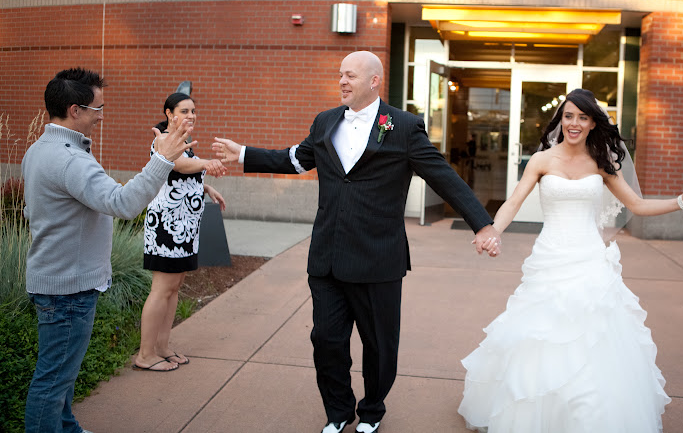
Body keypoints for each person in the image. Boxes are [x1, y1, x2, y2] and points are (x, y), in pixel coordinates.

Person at [212, 51, 502, 433]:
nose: (343, 82)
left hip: (377, 258)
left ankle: (372, 411)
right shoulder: (326, 121)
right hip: (328, 256)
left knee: (379, 346)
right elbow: (297, 160)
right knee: (326, 340)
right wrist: (245, 154)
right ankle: (338, 411)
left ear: (375, 80)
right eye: (340, 75)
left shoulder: (403, 126)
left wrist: (482, 225)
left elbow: (442, 176)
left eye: (350, 75)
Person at [458, 88, 683, 433]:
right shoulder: (542, 160)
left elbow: (637, 205)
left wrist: (680, 202)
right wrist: (493, 231)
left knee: (593, 335)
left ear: (593, 123)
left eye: (582, 117)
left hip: (589, 259)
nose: (574, 123)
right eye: (569, 115)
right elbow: (513, 202)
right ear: (561, 119)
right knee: (542, 335)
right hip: (550, 258)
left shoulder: (601, 163)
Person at [22, 68, 195, 433]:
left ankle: (67, 428)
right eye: (97, 108)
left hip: (55, 281)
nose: (101, 116)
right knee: (52, 381)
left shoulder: (41, 149)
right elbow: (123, 203)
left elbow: (32, 210)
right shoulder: (70, 158)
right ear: (75, 110)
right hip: (67, 288)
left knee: (60, 377)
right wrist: (161, 159)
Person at [134, 93, 227, 372]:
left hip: (185, 229)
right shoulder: (163, 138)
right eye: (184, 110)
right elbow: (178, 166)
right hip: (166, 227)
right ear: (169, 113)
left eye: (193, 111)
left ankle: (162, 347)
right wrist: (206, 163)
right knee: (161, 289)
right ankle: (145, 354)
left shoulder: (184, 143)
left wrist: (206, 188)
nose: (191, 115)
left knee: (173, 290)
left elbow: (180, 178)